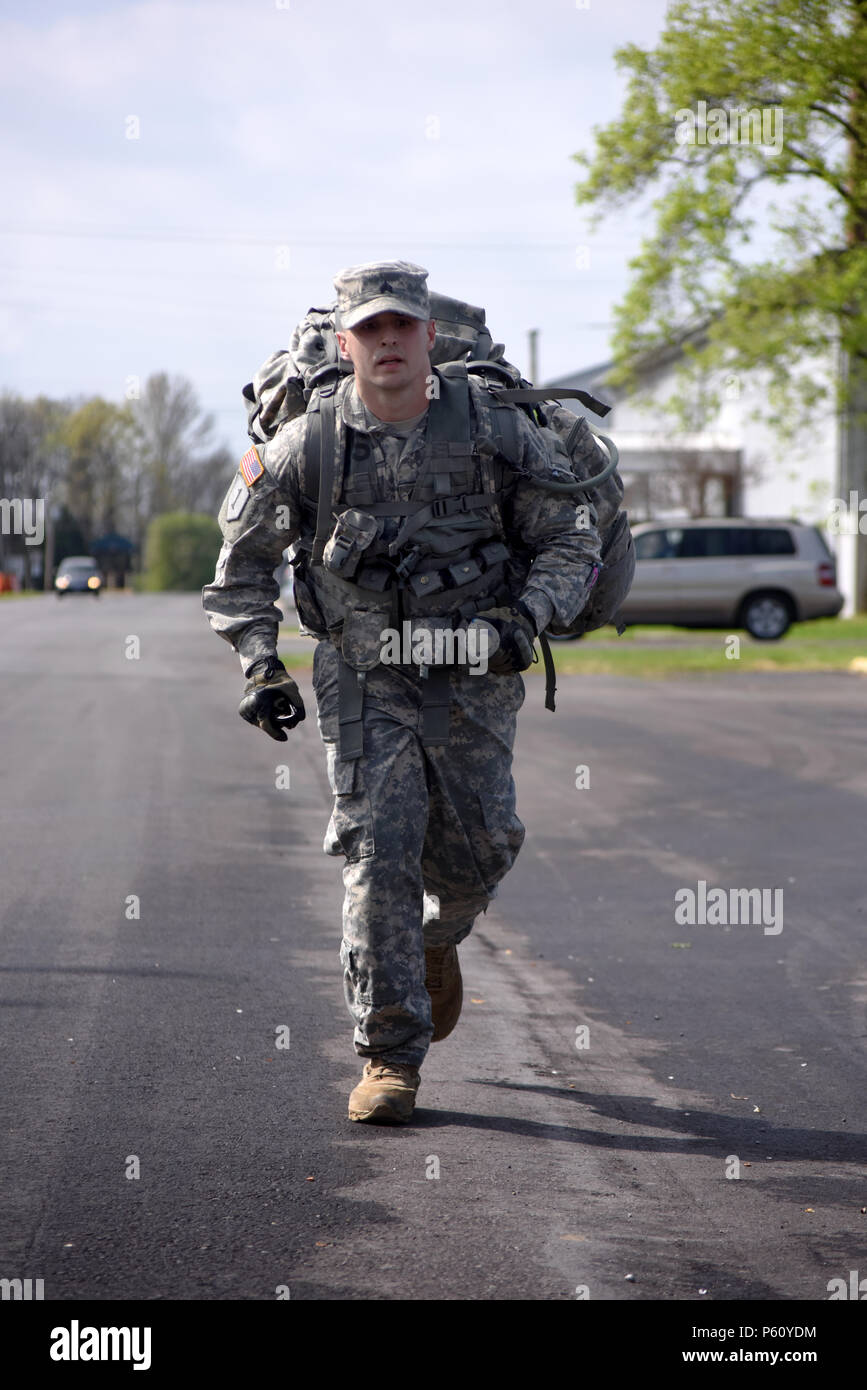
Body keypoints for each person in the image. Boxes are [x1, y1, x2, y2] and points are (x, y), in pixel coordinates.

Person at [202, 260, 602, 1124]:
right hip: (364, 671)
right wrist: (260, 663)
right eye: (370, 330)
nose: (387, 342)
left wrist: (524, 620)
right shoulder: (306, 445)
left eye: (401, 328)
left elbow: (571, 541)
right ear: (344, 345)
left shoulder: (495, 431)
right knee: (377, 853)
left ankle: (435, 936)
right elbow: (239, 573)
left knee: (483, 846)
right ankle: (388, 1058)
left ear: (428, 338)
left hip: (476, 670)